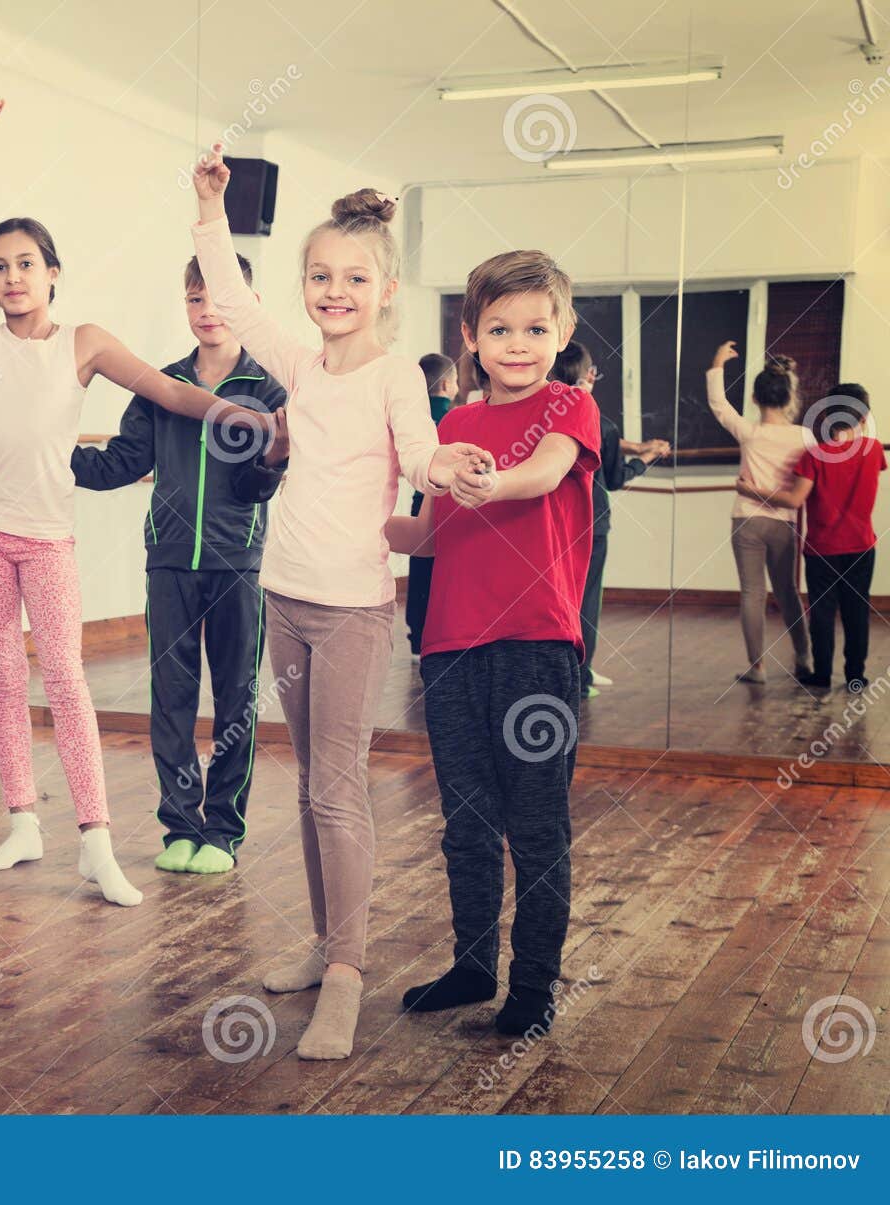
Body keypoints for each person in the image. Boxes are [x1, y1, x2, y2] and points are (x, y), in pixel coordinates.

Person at [0, 103, 271, 907]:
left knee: (67, 682)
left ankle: (95, 842)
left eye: (25, 264)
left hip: (47, 538)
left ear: (52, 273)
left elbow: (168, 390)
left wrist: (240, 417)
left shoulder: (84, 341)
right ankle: (20, 821)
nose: (10, 277)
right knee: (4, 676)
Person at [191, 144, 490, 1058]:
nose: (333, 290)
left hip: (355, 610)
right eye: (320, 276)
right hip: (284, 597)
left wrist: (444, 466)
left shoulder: (397, 376)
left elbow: (417, 452)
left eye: (353, 277)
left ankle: (349, 975)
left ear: (386, 287)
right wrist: (211, 206)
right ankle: (326, 945)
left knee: (339, 790)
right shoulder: (302, 364)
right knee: (312, 789)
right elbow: (233, 299)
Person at [388, 249, 600, 1039]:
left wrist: (489, 482)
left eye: (536, 328)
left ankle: (534, 983)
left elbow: (542, 476)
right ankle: (473, 962)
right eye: (500, 328)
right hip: (449, 648)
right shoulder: (453, 425)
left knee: (537, 826)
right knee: (467, 819)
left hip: (537, 646)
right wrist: (370, 521)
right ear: (470, 335)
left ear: (563, 331)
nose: (519, 343)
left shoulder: (570, 408)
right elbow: (433, 533)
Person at [70, 253, 286, 875]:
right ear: (185, 305)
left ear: (248, 302)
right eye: (196, 299)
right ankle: (180, 828)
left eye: (220, 297)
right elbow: (118, 465)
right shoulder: (157, 385)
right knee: (170, 700)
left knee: (237, 701)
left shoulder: (268, 392)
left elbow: (256, 488)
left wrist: (272, 458)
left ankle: (222, 830)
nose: (208, 311)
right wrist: (45, 453)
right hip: (168, 563)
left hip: (237, 567)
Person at [738, 384, 884, 691]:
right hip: (861, 546)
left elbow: (793, 500)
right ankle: (855, 676)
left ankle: (821, 676)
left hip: (822, 550)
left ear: (828, 416)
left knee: (822, 613)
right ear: (864, 417)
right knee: (857, 612)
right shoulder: (873, 451)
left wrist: (751, 490)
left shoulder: (815, 455)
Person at [549, 342, 668, 696]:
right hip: (589, 525)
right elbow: (614, 477)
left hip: (552, 524)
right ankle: (580, 676)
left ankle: (558, 674)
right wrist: (646, 460)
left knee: (556, 600)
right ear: (589, 375)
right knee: (585, 602)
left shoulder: (545, 414)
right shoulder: (603, 422)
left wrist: (635, 447)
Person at [706, 342, 811, 684]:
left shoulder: (750, 432)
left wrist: (718, 363)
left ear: (755, 399)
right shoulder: (805, 438)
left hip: (748, 520)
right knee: (787, 593)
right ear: (790, 398)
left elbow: (719, 405)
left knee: (752, 593)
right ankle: (804, 660)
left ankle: (758, 668)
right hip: (784, 524)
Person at [405, 353, 458, 658]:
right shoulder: (455, 417)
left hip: (418, 501)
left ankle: (417, 636)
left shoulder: (414, 419)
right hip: (450, 505)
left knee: (421, 571)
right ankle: (441, 636)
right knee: (446, 573)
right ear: (449, 384)